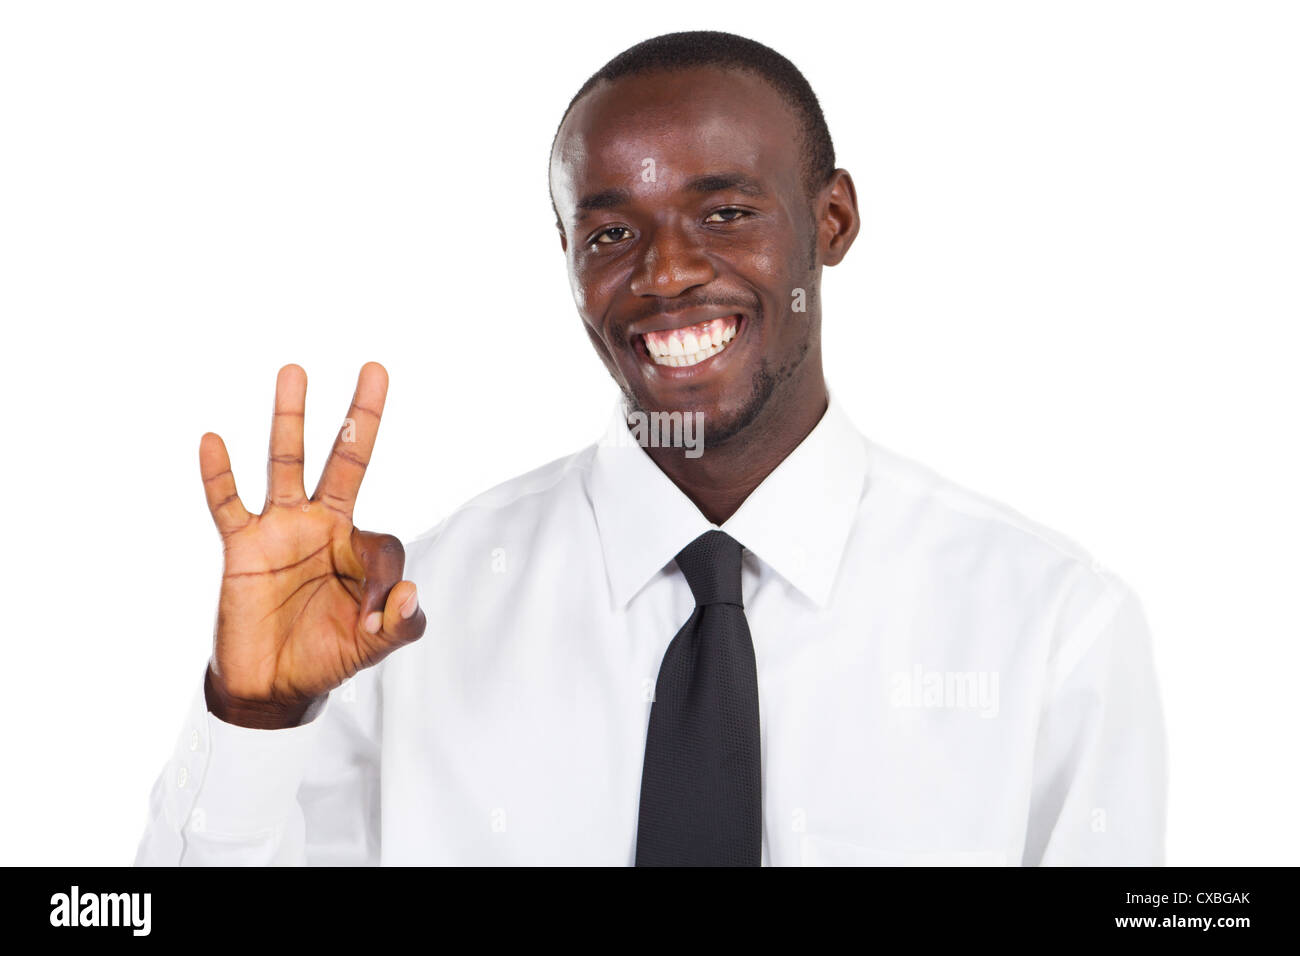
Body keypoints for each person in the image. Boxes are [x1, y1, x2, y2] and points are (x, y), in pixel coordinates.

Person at [134, 30, 1166, 866]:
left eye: (724, 211)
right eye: (612, 234)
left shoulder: (1049, 627)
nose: (666, 274)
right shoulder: (399, 625)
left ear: (832, 220)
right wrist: (253, 718)